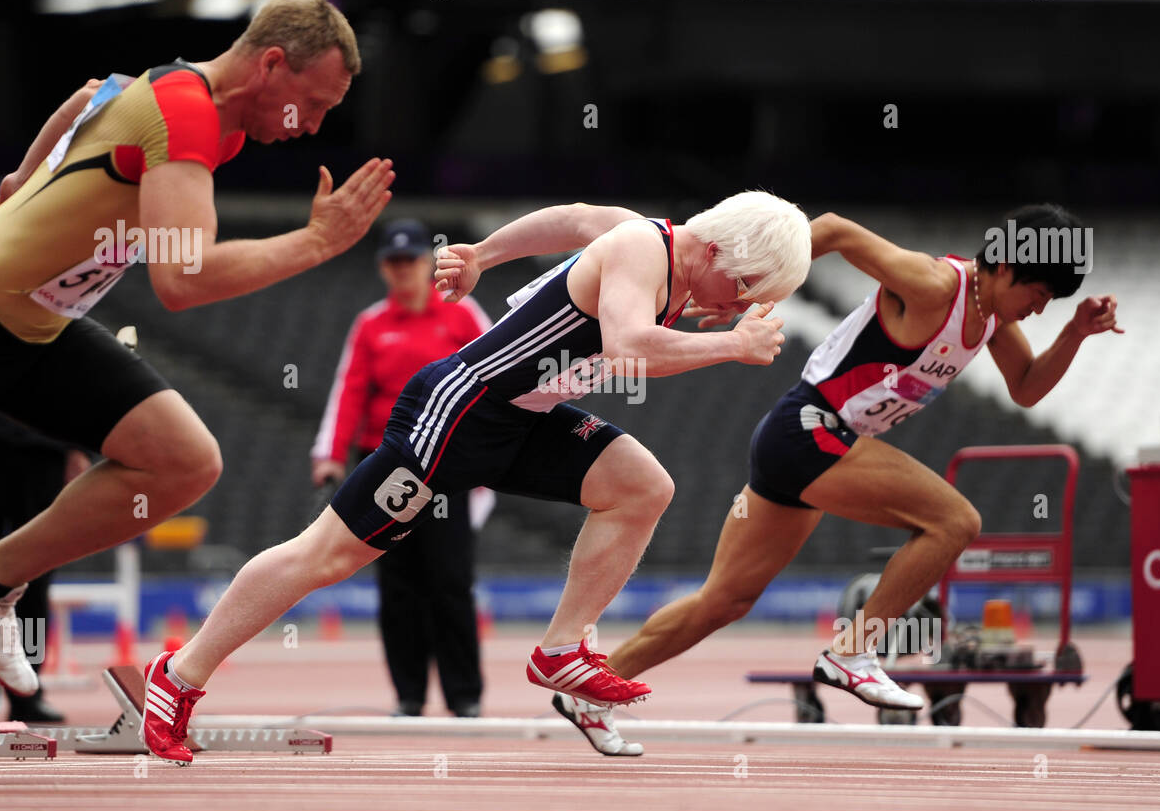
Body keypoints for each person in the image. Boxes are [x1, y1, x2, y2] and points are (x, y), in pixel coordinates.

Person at [141, 192, 811, 764]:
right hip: (458, 409)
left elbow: (574, 219)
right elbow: (628, 347)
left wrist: (484, 254)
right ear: (728, 255)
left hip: (524, 419)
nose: (733, 308)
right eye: (747, 292)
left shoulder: (658, 248)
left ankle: (560, 650)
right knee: (330, 553)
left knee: (641, 485)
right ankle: (178, 675)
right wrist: (732, 345)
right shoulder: (644, 246)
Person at [0, 0, 395, 699]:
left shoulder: (196, 114)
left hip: (36, 329)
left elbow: (93, 96)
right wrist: (315, 244)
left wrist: (24, 184)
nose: (310, 127)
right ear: (271, 64)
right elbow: (182, 279)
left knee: (182, 461)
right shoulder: (184, 111)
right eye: (311, 104)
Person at [555, 204, 1124, 756]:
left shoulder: (992, 317)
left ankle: (591, 688)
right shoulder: (933, 284)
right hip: (811, 430)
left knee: (723, 601)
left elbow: (1025, 386)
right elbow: (832, 230)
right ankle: (854, 652)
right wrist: (752, 299)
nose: (1039, 311)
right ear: (1004, 267)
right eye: (1040, 296)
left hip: (804, 441)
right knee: (955, 521)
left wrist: (1075, 332)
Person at [311, 219, 491, 718]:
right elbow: (348, 390)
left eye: (410, 260)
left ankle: (465, 696)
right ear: (382, 268)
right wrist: (329, 454)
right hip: (385, 466)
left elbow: (495, 378)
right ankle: (409, 696)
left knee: (451, 581)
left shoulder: (461, 314)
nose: (402, 270)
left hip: (446, 464)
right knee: (399, 585)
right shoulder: (371, 323)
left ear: (426, 265)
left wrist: (487, 453)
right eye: (393, 261)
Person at [0, 410, 91, 722]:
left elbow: (72, 378)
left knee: (37, 576)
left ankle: (28, 694)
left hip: (44, 447)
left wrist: (77, 447)